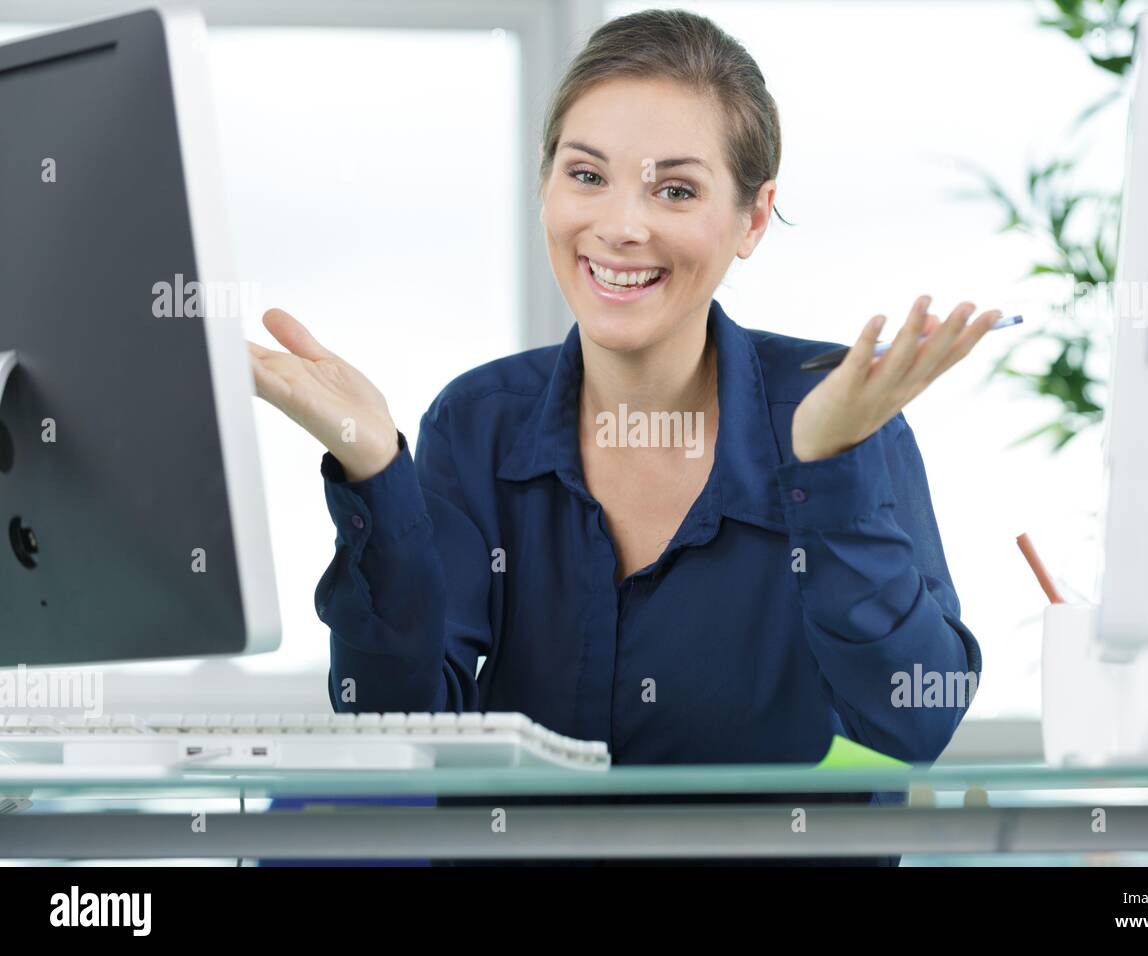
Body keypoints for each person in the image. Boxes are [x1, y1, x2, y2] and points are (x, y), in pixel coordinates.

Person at [249, 8, 996, 866]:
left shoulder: (840, 409)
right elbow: (400, 729)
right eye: (587, 175)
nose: (621, 225)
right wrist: (375, 468)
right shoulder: (477, 422)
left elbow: (913, 720)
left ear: (754, 219)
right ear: (546, 188)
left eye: (674, 189)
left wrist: (827, 469)